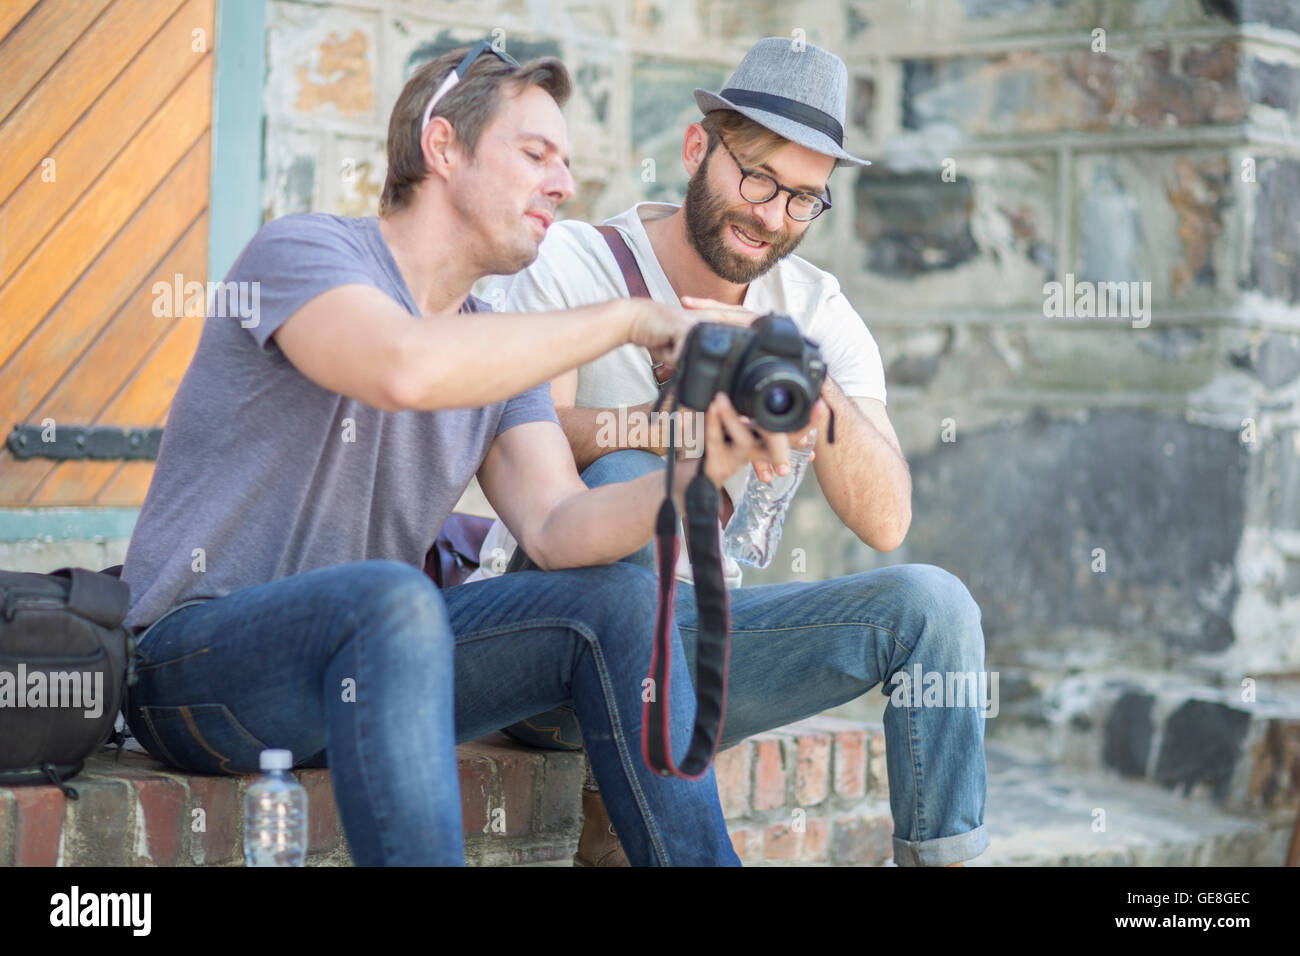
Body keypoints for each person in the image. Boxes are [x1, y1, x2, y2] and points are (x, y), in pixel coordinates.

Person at [119, 43, 793, 866]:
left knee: (617, 601)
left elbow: (559, 527)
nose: (564, 184)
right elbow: (402, 366)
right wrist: (626, 318)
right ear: (443, 147)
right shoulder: (303, 256)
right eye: (536, 154)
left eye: (567, 162)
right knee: (392, 599)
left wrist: (701, 468)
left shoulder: (494, 349)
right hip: (196, 670)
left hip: (373, 675)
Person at [470, 37, 991, 867]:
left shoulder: (815, 310)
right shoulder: (572, 262)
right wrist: (662, 423)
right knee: (635, 477)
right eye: (757, 178)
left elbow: (887, 518)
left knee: (936, 606)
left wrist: (805, 377)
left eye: (803, 200)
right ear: (695, 147)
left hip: (698, 652)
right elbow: (508, 425)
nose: (772, 217)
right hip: (552, 651)